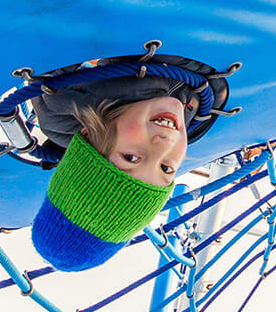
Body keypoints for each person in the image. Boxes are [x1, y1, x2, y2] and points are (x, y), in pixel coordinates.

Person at [29, 60, 221, 272]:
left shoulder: (72, 89)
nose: (164, 145)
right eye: (166, 168)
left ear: (89, 136)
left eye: (131, 158)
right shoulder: (195, 117)